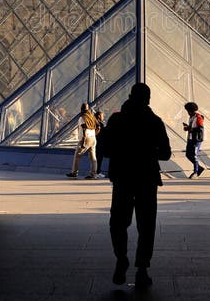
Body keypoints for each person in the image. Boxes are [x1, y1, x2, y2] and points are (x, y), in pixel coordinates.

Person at [101, 83, 171, 289]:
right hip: (147, 178)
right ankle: (142, 269)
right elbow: (166, 153)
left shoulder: (116, 120)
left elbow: (105, 150)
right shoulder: (155, 122)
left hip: (122, 177)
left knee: (118, 222)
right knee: (146, 224)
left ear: (130, 96)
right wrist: (148, 153)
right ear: (148, 99)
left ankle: (121, 258)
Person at [66, 102, 98, 179]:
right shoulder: (92, 116)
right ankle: (93, 174)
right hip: (93, 138)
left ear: (81, 109)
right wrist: (94, 134)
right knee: (93, 157)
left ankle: (74, 172)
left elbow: (84, 129)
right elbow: (98, 126)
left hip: (86, 139)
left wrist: (83, 140)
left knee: (77, 156)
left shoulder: (82, 118)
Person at [183, 101, 205, 178]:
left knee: (195, 155)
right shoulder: (191, 117)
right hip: (190, 138)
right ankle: (199, 168)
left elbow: (200, 129)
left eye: (188, 111)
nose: (188, 113)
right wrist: (188, 128)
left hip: (196, 139)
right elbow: (192, 128)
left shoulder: (198, 117)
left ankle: (195, 172)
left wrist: (190, 128)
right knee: (188, 154)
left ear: (191, 110)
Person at [94, 110, 107, 178]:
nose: (103, 117)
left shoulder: (95, 122)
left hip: (97, 143)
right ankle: (97, 172)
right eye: (102, 115)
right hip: (100, 143)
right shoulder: (99, 124)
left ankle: (96, 171)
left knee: (97, 158)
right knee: (99, 158)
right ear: (99, 116)